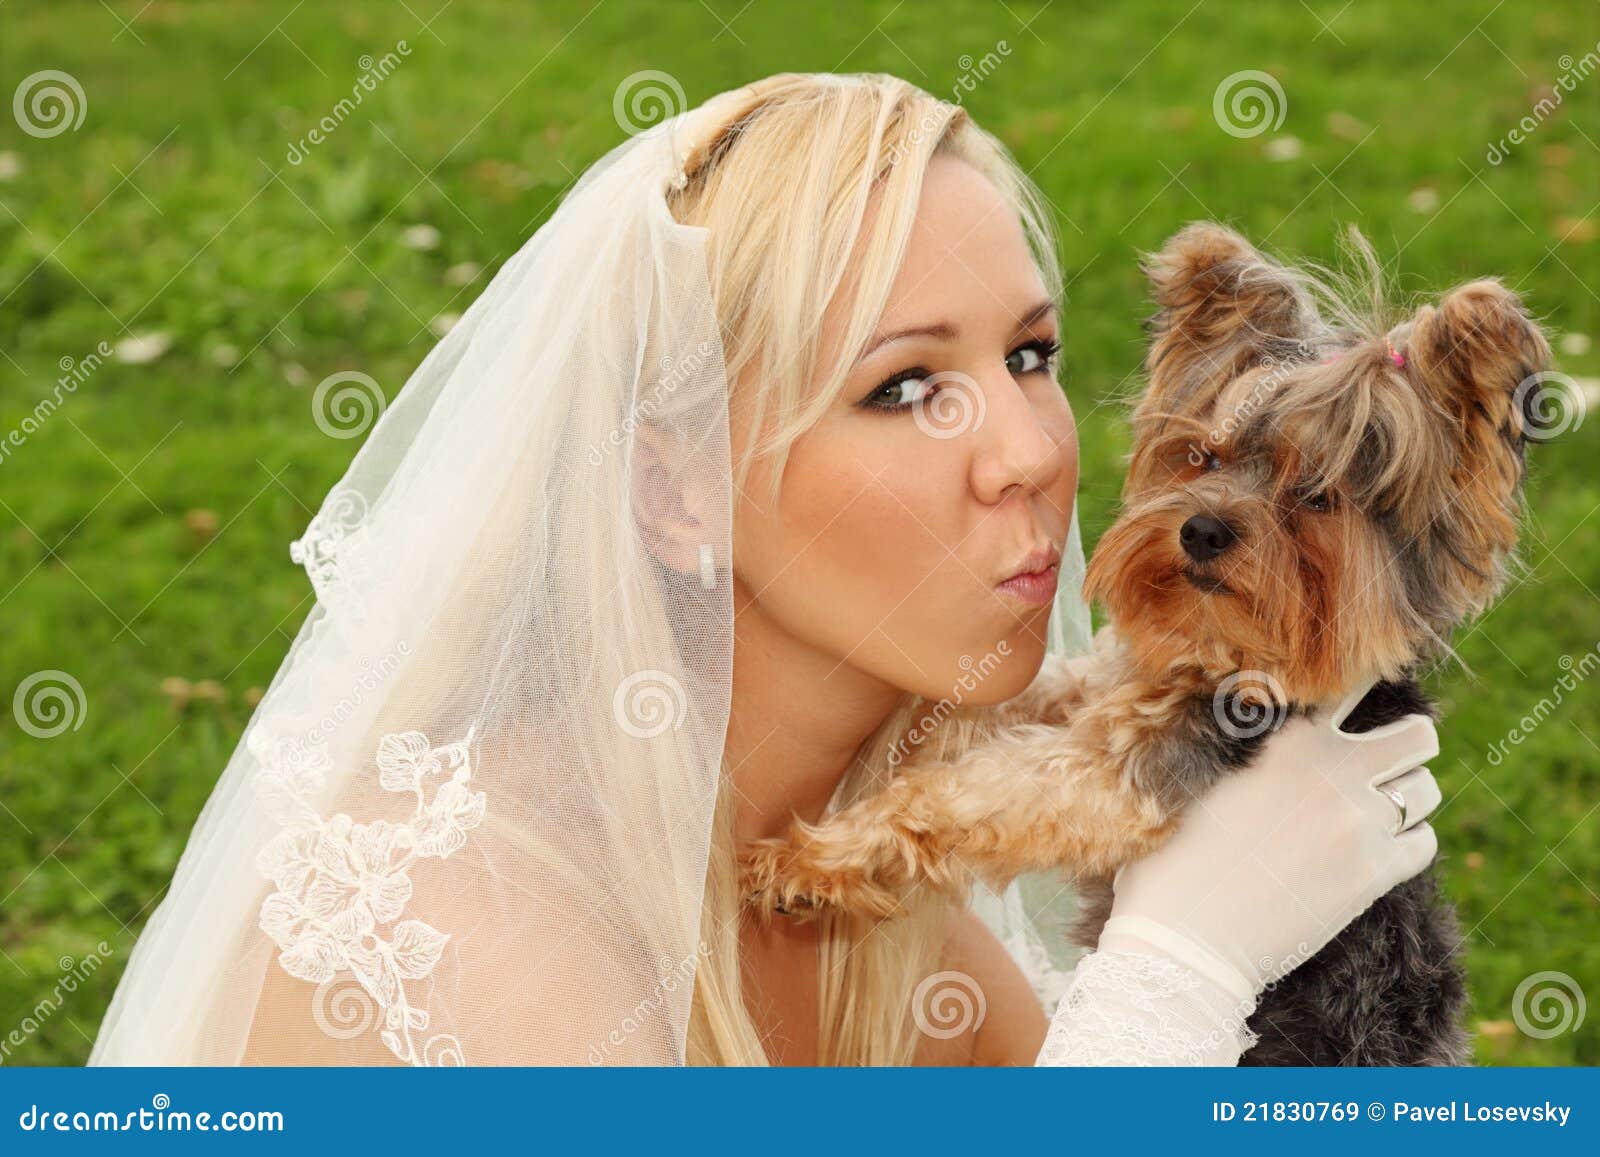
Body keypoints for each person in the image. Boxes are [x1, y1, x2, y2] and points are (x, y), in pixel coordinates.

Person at [90, 73, 1439, 1067]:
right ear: (674, 490)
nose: (1028, 451)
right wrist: (1175, 968)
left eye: (1028, 356)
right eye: (906, 386)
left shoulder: (881, 909)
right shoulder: (483, 938)